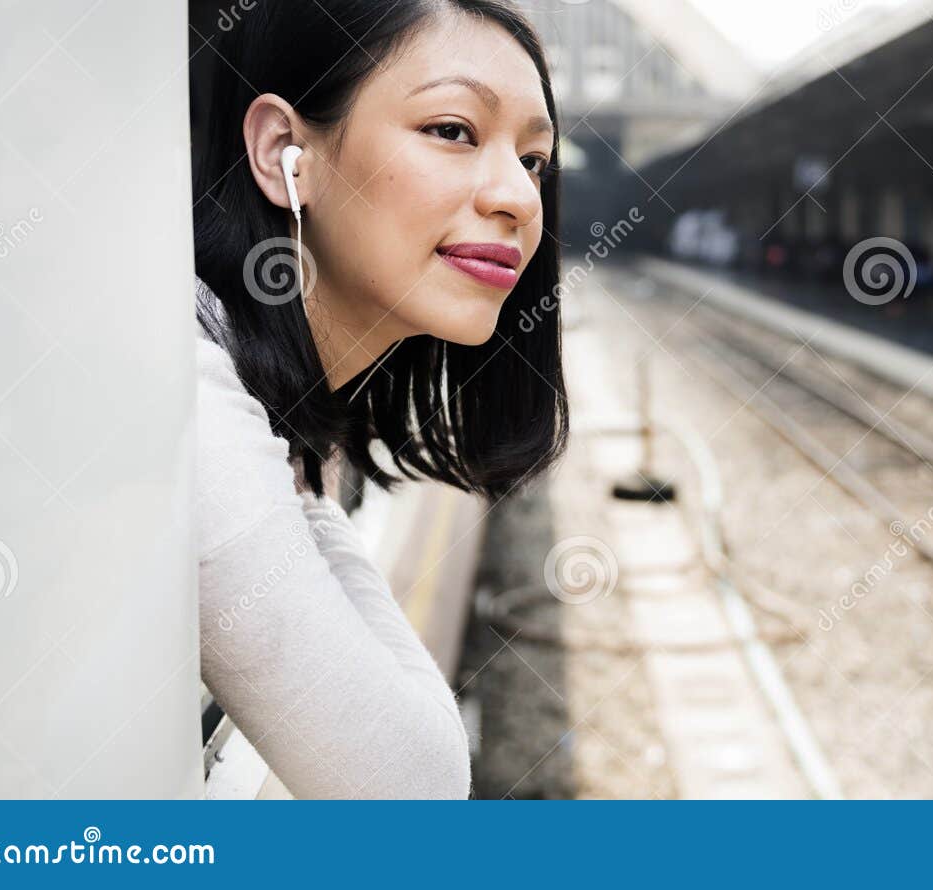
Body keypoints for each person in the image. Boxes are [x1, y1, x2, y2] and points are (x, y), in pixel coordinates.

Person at [189, 0, 568, 799]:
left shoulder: (250, 387)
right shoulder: (181, 396)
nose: (520, 199)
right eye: (453, 130)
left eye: (534, 160)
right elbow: (407, 788)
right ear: (286, 152)